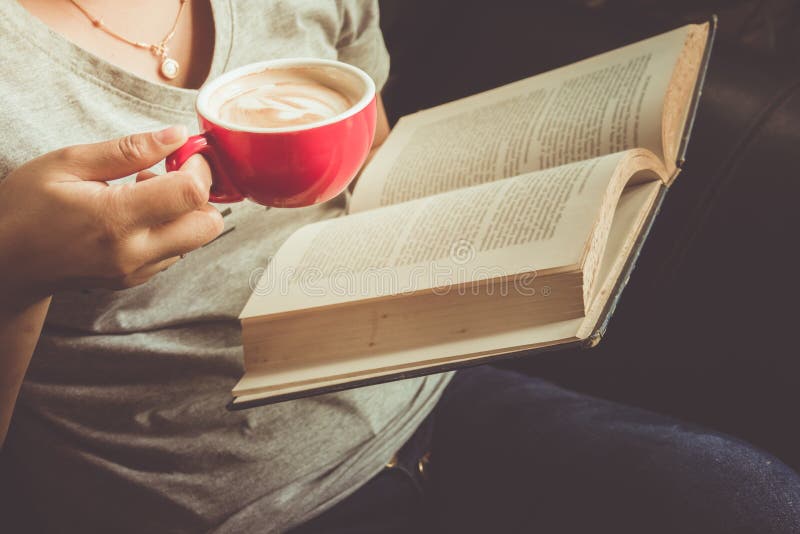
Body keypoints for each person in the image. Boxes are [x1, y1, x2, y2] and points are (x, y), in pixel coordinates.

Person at [0, 1, 798, 533]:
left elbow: (371, 154)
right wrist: (14, 272)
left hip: (428, 388)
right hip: (236, 503)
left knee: (754, 503)